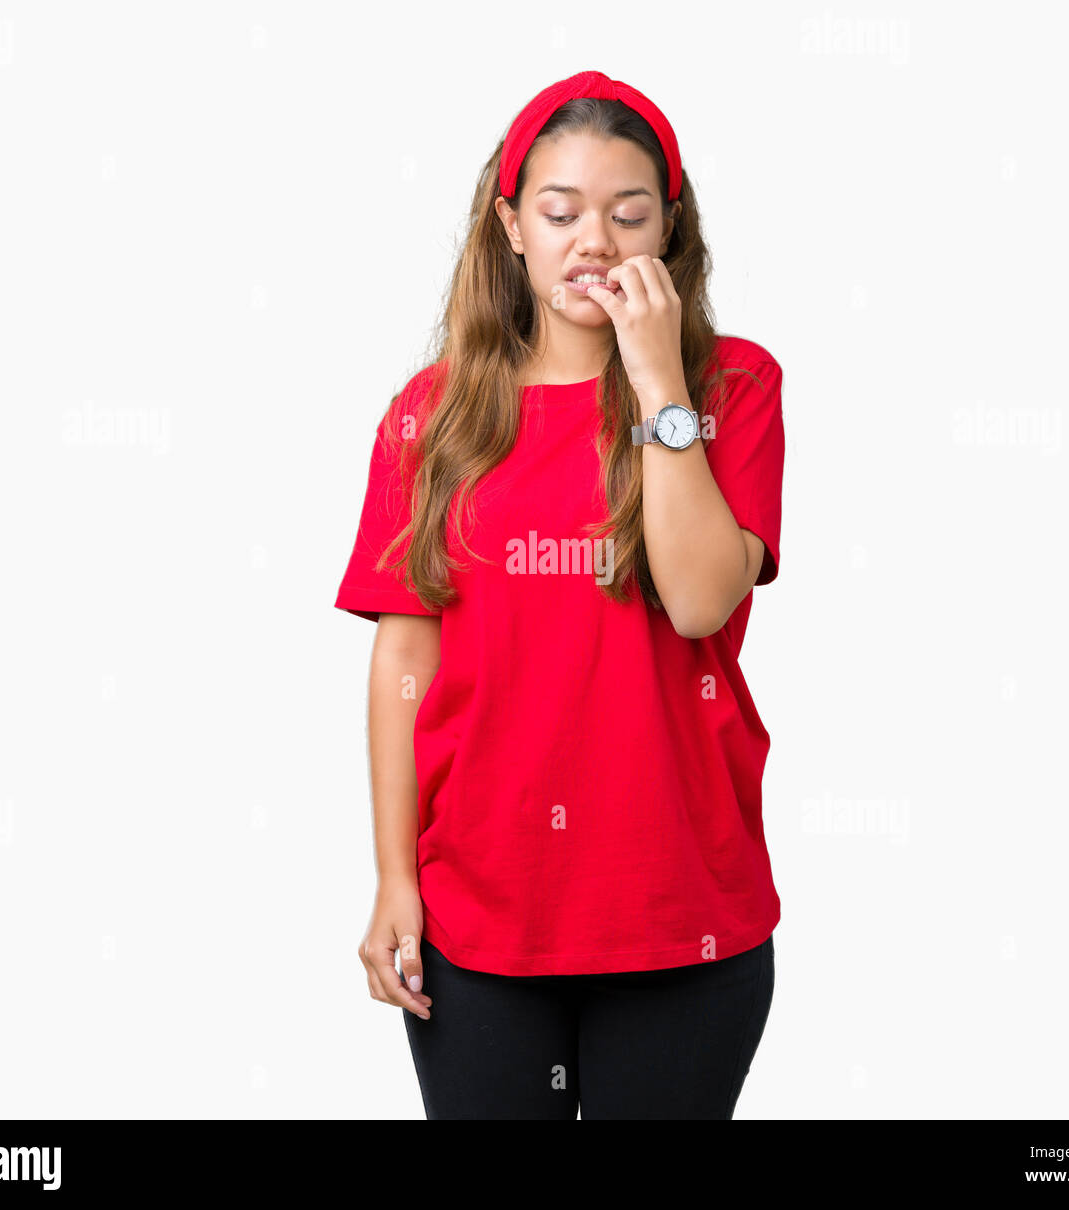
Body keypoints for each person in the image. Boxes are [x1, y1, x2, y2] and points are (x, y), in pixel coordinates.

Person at [334, 70, 786, 1120]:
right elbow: (405, 660)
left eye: (628, 213)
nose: (594, 240)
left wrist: (657, 381)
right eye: (560, 211)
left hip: (679, 906)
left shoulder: (733, 387)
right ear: (509, 227)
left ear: (669, 231)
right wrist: (394, 880)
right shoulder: (433, 414)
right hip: (482, 915)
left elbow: (698, 602)